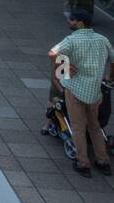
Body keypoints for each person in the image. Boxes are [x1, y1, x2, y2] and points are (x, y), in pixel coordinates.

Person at [48, 10, 114, 178]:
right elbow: (113, 59)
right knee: (95, 126)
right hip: (94, 92)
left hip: (75, 90)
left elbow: (52, 53)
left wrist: (66, 65)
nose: (69, 22)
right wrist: (110, 76)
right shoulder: (102, 39)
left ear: (80, 23)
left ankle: (83, 163)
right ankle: (102, 161)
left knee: (78, 127)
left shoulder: (72, 40)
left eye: (71, 20)